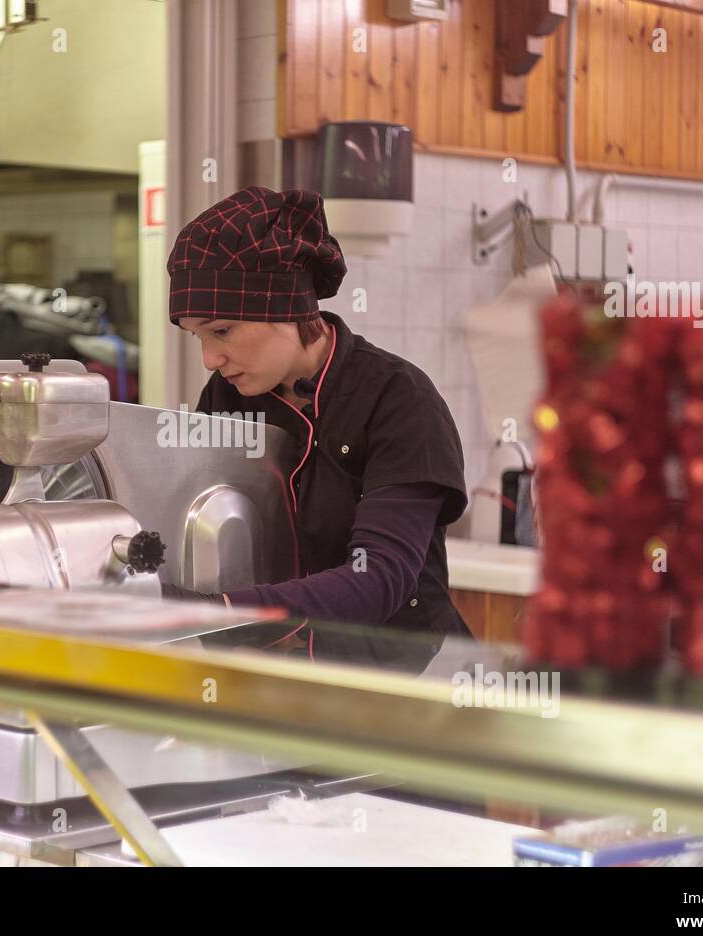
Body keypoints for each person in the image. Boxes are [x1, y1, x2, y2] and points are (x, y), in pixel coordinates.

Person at [162, 186, 473, 643]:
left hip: (405, 679)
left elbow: (378, 579)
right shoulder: (226, 398)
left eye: (222, 331)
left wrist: (215, 612)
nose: (211, 359)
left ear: (285, 308)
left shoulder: (397, 399)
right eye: (197, 337)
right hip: (285, 680)